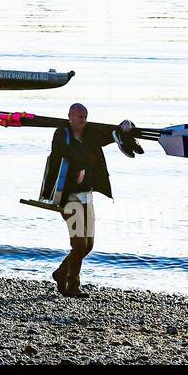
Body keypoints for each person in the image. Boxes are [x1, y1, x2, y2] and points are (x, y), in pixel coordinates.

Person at [49, 103, 134, 298]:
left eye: (84, 116)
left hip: (87, 198)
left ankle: (61, 272)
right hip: (69, 198)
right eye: (78, 116)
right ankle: (72, 285)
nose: (82, 120)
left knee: (88, 245)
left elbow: (110, 136)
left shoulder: (89, 135)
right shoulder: (62, 134)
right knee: (79, 244)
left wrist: (124, 126)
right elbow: (64, 151)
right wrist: (82, 166)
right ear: (69, 116)